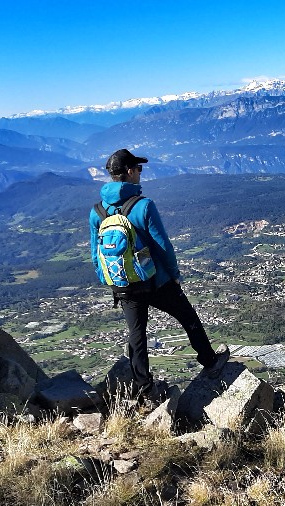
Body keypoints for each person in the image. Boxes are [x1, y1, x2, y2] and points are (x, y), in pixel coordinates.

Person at [89, 148, 228, 403]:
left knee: (137, 335)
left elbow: (94, 253)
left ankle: (144, 390)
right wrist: (174, 275)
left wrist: (110, 280)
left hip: (123, 285)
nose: (140, 173)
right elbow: (163, 245)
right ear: (129, 171)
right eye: (138, 169)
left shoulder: (97, 211)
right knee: (188, 317)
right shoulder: (143, 206)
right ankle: (210, 361)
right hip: (155, 281)